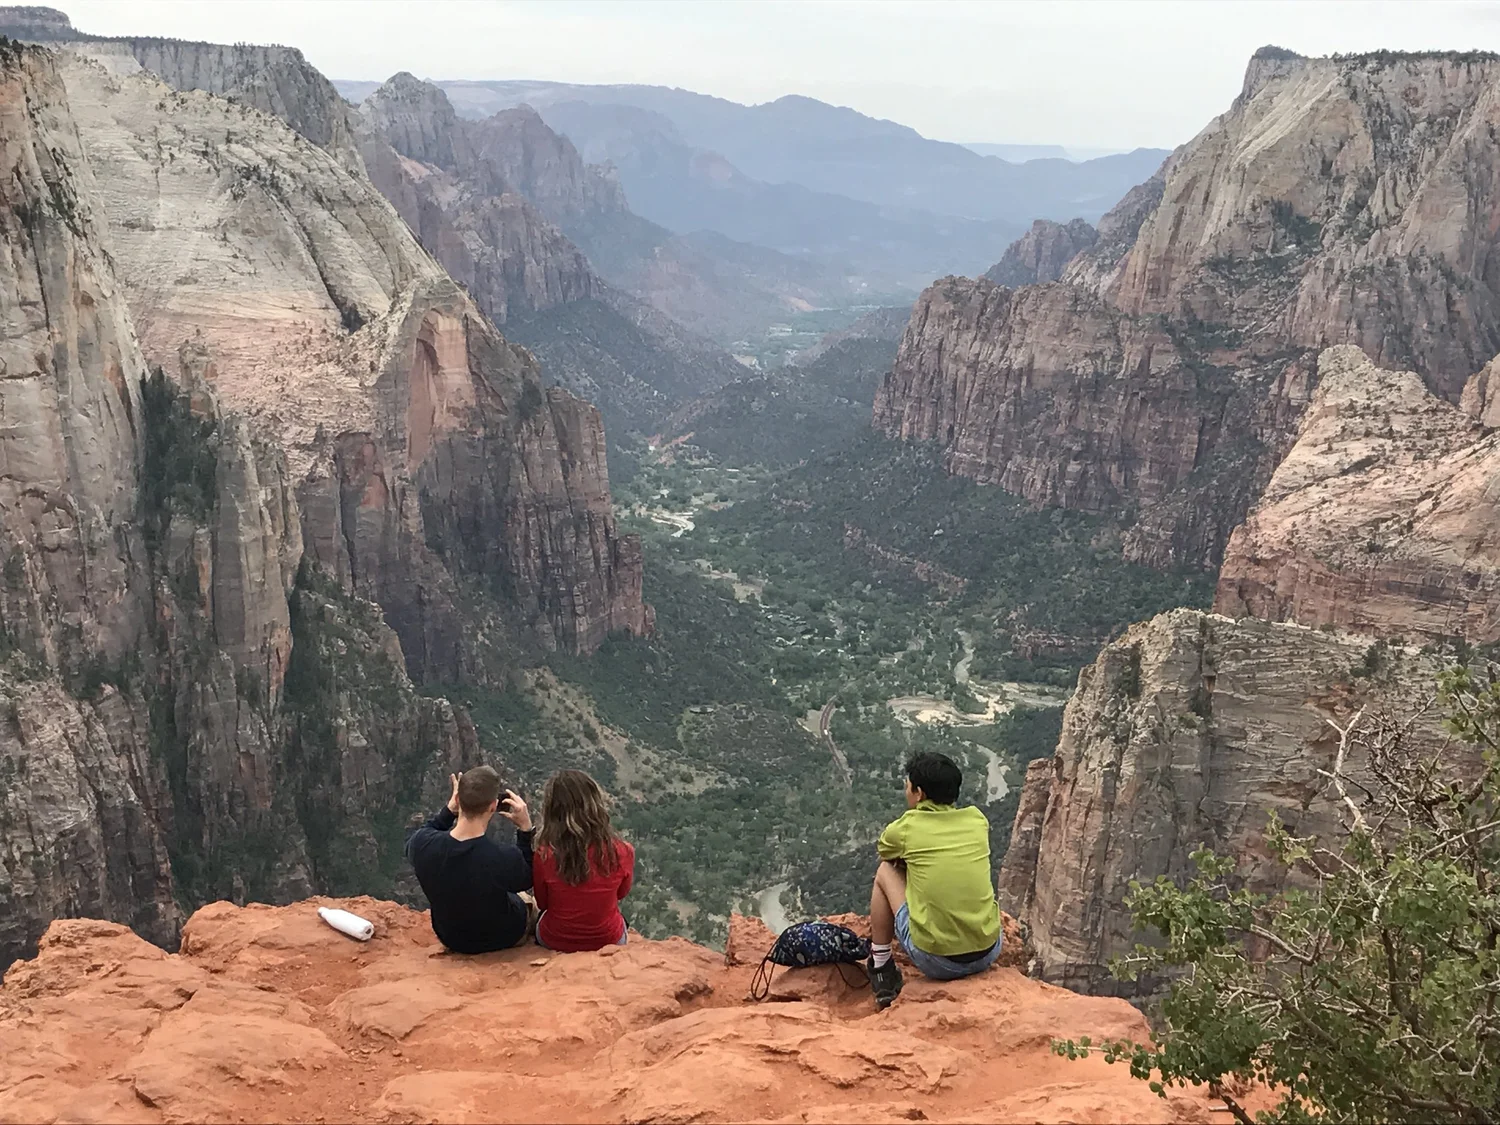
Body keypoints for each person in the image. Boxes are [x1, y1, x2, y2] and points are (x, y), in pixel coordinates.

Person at [866, 751, 1003, 1009]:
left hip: (937, 962)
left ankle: (881, 966)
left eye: (908, 785)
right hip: (988, 951)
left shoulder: (907, 827)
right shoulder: (977, 820)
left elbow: (885, 850)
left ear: (919, 793)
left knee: (886, 870)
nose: (906, 790)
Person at [405, 765, 535, 954]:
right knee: (526, 899)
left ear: (457, 799)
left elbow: (424, 832)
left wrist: (448, 812)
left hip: (450, 937)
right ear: (493, 806)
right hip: (502, 937)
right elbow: (528, 877)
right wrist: (526, 831)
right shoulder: (503, 857)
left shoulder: (422, 844)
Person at [532, 769, 635, 952]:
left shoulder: (544, 855)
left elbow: (543, 903)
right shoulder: (622, 851)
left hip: (555, 939)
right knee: (620, 920)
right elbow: (621, 893)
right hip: (607, 939)